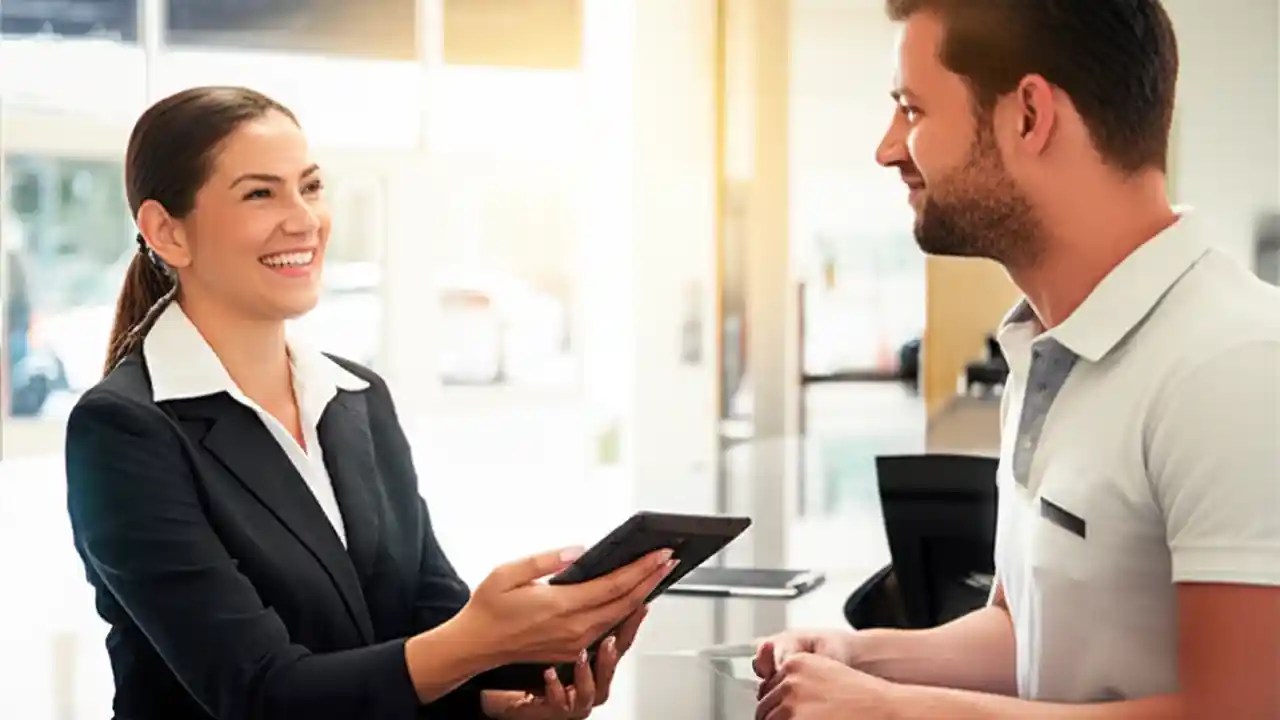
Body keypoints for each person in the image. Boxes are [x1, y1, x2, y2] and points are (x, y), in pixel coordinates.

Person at [64, 86, 676, 720]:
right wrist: (479, 640)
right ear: (168, 231)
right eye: (259, 193)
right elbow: (260, 694)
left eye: (311, 186)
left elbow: (422, 630)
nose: (303, 218)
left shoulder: (357, 398)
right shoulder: (123, 431)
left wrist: (505, 703)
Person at [753, 1, 1280, 718]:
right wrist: (861, 656)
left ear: (1029, 115)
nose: (888, 148)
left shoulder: (1234, 364)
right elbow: (1022, 635)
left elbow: (1238, 712)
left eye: (911, 110)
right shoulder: (1048, 349)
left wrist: (894, 711)